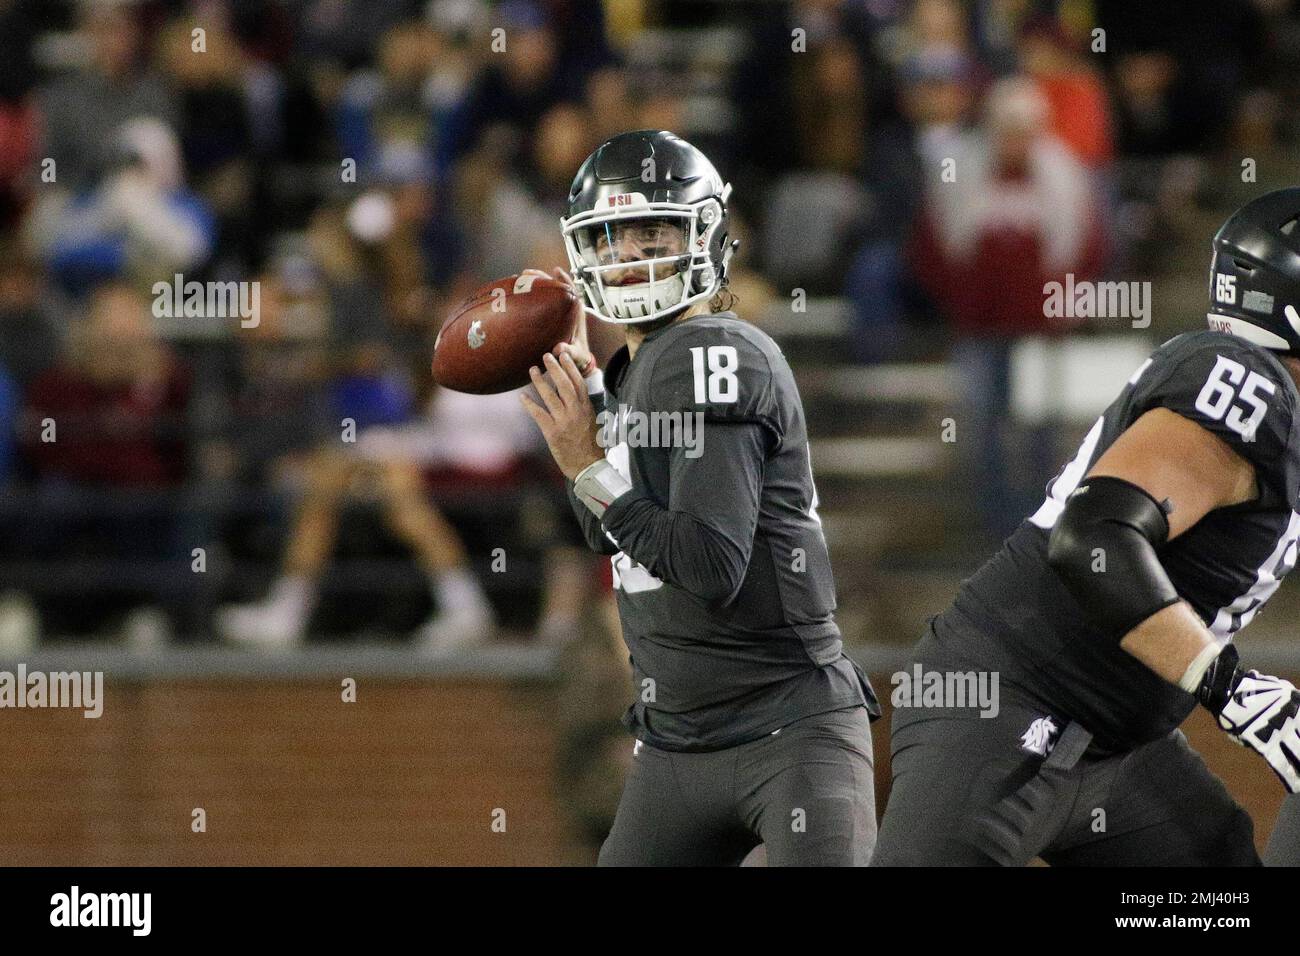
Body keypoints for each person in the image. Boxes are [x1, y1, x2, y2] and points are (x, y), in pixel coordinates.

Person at [872, 188, 1300, 866]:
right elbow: (1095, 539)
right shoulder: (1246, 383)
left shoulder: (1277, 408)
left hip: (1117, 745)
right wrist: (1229, 686)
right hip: (1007, 700)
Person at [520, 130, 879, 865]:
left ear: (705, 235)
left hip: (787, 730)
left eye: (653, 231)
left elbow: (711, 561)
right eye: (613, 237)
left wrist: (588, 464)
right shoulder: (639, 365)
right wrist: (591, 426)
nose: (632, 255)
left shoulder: (714, 352)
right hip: (676, 741)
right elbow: (607, 534)